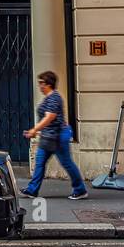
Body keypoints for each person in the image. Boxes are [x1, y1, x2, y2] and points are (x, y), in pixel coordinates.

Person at [21, 70, 88, 200]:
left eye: (41, 83)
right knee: (40, 163)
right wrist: (37, 131)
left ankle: (80, 189)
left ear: (48, 84)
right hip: (48, 136)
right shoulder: (49, 97)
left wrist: (35, 130)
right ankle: (32, 190)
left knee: (67, 163)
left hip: (57, 137)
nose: (39, 85)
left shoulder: (54, 97)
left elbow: (50, 117)